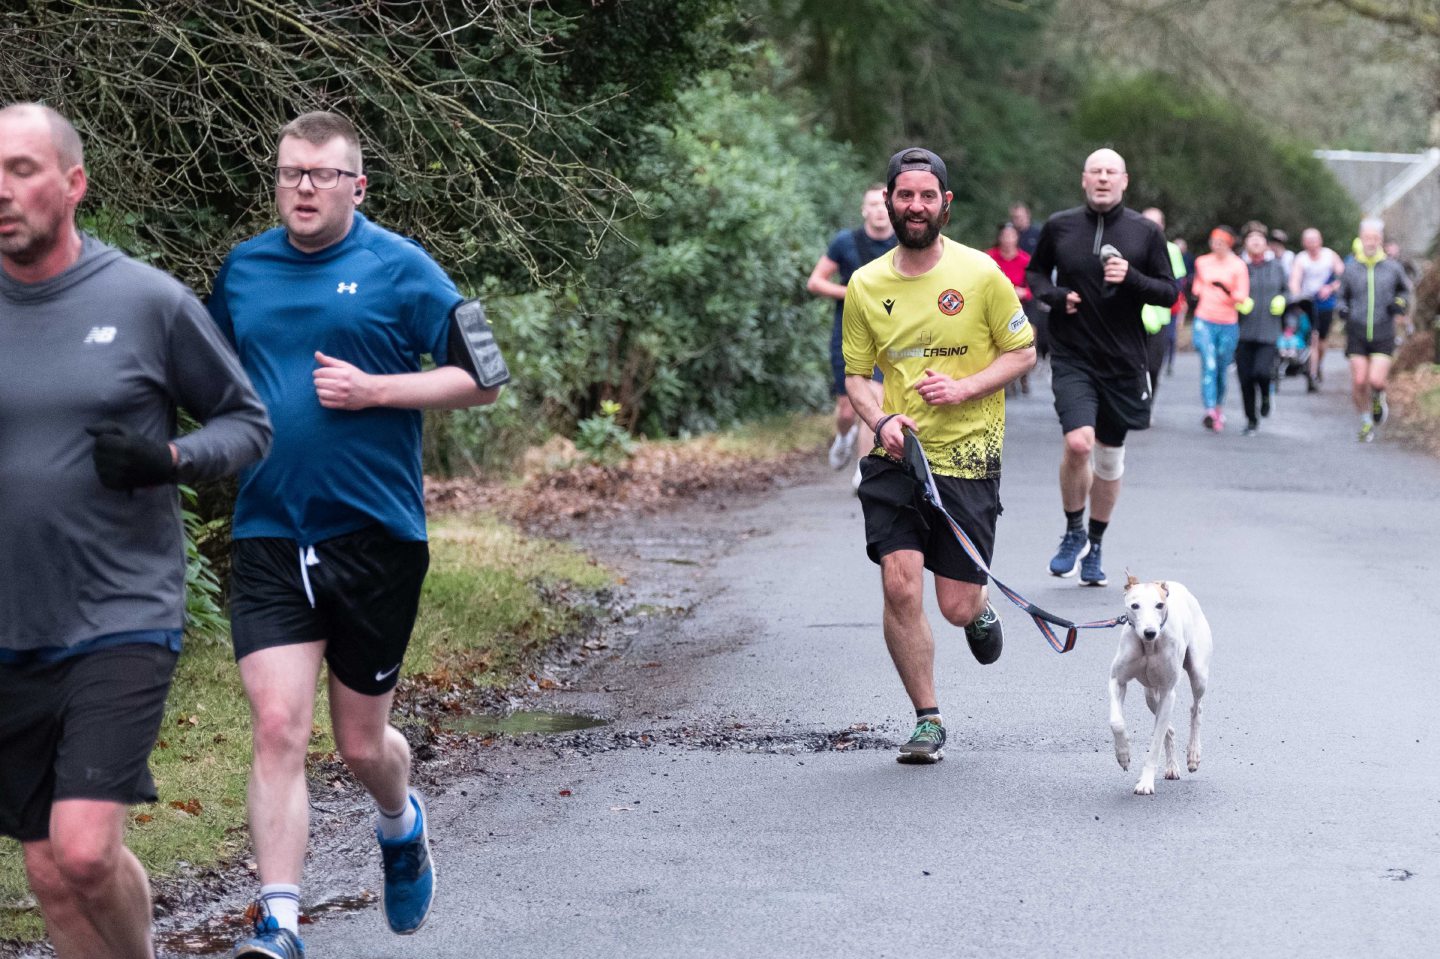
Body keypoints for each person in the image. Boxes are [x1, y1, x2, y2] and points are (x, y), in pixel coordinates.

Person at [208, 111, 502, 957]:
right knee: (276, 725)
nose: (302, 187)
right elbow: (205, 373)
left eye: (320, 175)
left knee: (361, 743)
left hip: (374, 536)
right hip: (268, 529)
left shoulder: (402, 269)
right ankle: (280, 921)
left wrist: (378, 391)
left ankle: (399, 820)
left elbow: (485, 379)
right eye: (289, 172)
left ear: (356, 185)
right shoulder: (243, 271)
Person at [0, 102, 271, 959]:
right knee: (49, 869)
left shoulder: (146, 300)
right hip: (12, 620)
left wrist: (171, 456)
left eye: (21, 170)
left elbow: (248, 423)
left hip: (121, 610)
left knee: (81, 846)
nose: (2, 192)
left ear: (73, 184)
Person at [842, 147, 1035, 764]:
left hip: (969, 456)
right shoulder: (866, 284)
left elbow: (1022, 353)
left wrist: (964, 387)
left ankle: (977, 610)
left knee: (952, 604)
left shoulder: (981, 275)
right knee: (900, 585)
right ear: (889, 202)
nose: (916, 206)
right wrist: (881, 417)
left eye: (928, 196)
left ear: (946, 204)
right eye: (905, 196)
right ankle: (927, 718)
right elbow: (855, 377)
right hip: (899, 458)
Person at [1027, 148, 1176, 588]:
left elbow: (1169, 292)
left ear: (1124, 180)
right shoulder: (1060, 226)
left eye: (1111, 172)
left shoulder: (1146, 232)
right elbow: (1036, 276)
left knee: (1109, 458)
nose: (1104, 178)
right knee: (1078, 444)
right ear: (1084, 179)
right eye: (1096, 171)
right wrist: (1055, 296)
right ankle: (1073, 531)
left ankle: (1095, 544)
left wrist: (1131, 277)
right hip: (1073, 355)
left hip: (1124, 361)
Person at [807, 184, 897, 486]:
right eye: (872, 204)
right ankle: (843, 437)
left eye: (883, 204)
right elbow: (816, 282)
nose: (879, 211)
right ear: (864, 210)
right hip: (848, 331)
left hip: (889, 335)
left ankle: (864, 469)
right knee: (847, 409)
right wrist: (852, 293)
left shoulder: (904, 243)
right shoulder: (845, 242)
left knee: (875, 399)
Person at [1338, 218, 1411, 442]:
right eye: (1367, 238)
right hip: (1357, 331)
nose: (1371, 242)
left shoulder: (1393, 268)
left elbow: (1405, 292)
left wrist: (1400, 303)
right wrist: (1342, 309)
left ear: (1381, 240)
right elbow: (1341, 296)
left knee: (1376, 381)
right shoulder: (1351, 269)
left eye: (1375, 238)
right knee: (1360, 381)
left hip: (1383, 330)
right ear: (1361, 239)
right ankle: (1365, 421)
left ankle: (1379, 397)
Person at [1190, 225, 1250, 432]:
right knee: (1209, 363)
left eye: (1221, 243)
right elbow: (1196, 288)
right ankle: (1209, 410)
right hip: (1204, 319)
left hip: (1227, 323)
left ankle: (1218, 407)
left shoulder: (1238, 266)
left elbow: (1242, 297)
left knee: (1221, 369)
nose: (1217, 246)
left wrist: (1225, 289)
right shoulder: (1202, 262)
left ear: (1229, 244)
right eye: (1214, 242)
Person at [1235, 221, 1288, 436]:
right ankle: (1251, 419)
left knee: (1261, 372)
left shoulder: (1276, 266)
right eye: (1251, 238)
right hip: (1242, 331)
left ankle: (1266, 395)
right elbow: (1227, 288)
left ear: (1266, 244)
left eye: (1260, 239)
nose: (1256, 242)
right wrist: (1237, 300)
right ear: (1245, 243)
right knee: (1245, 378)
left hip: (1269, 329)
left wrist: (1283, 300)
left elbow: (1287, 291)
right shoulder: (1239, 266)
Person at [1139, 207, 1187, 403]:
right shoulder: (1129, 245)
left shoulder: (1172, 250)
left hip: (1160, 316)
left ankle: (1148, 404)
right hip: (1132, 315)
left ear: (1163, 225)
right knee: (1130, 363)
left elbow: (1176, 285)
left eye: (1155, 222)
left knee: (1153, 365)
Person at [1289, 227, 1344, 392]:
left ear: (1320, 241)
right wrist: (1297, 296)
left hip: (1326, 303)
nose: (1312, 244)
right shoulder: (1301, 259)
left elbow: (1343, 276)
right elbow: (1294, 280)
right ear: (1304, 243)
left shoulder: (1329, 255)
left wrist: (1330, 288)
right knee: (1313, 337)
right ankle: (1311, 373)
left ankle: (1317, 364)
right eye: (1309, 241)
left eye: (1315, 240)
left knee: (1322, 341)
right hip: (1307, 302)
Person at [985, 220, 1035, 394]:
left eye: (1011, 236)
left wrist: (1024, 292)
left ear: (1017, 238)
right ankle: (1004, 375)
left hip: (1020, 307)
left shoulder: (1025, 260)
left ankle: (1023, 373)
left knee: (1031, 333)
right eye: (1004, 236)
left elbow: (1034, 287)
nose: (1007, 239)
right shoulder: (988, 257)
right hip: (994, 306)